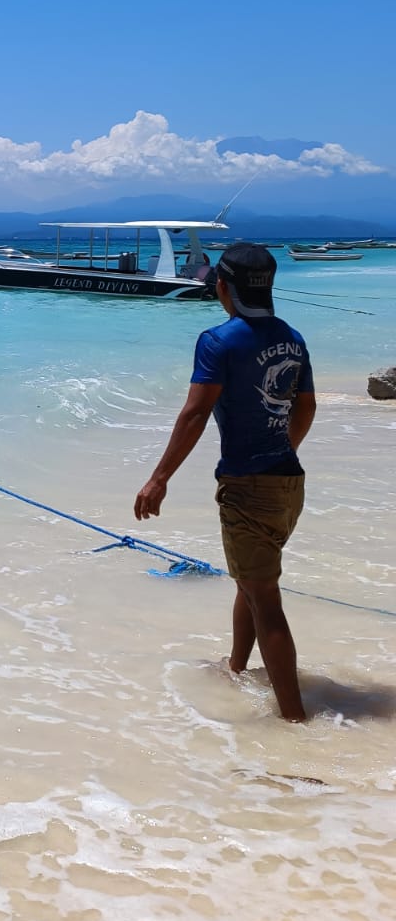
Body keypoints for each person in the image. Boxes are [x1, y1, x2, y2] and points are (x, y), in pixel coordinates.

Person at [134, 243, 316, 723]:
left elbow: (195, 413)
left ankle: (295, 721)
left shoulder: (218, 341)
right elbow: (306, 407)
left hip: (247, 484)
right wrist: (284, 449)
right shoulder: (293, 338)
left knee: (264, 597)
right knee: (250, 582)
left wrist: (158, 479)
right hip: (288, 484)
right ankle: (236, 668)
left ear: (223, 288)